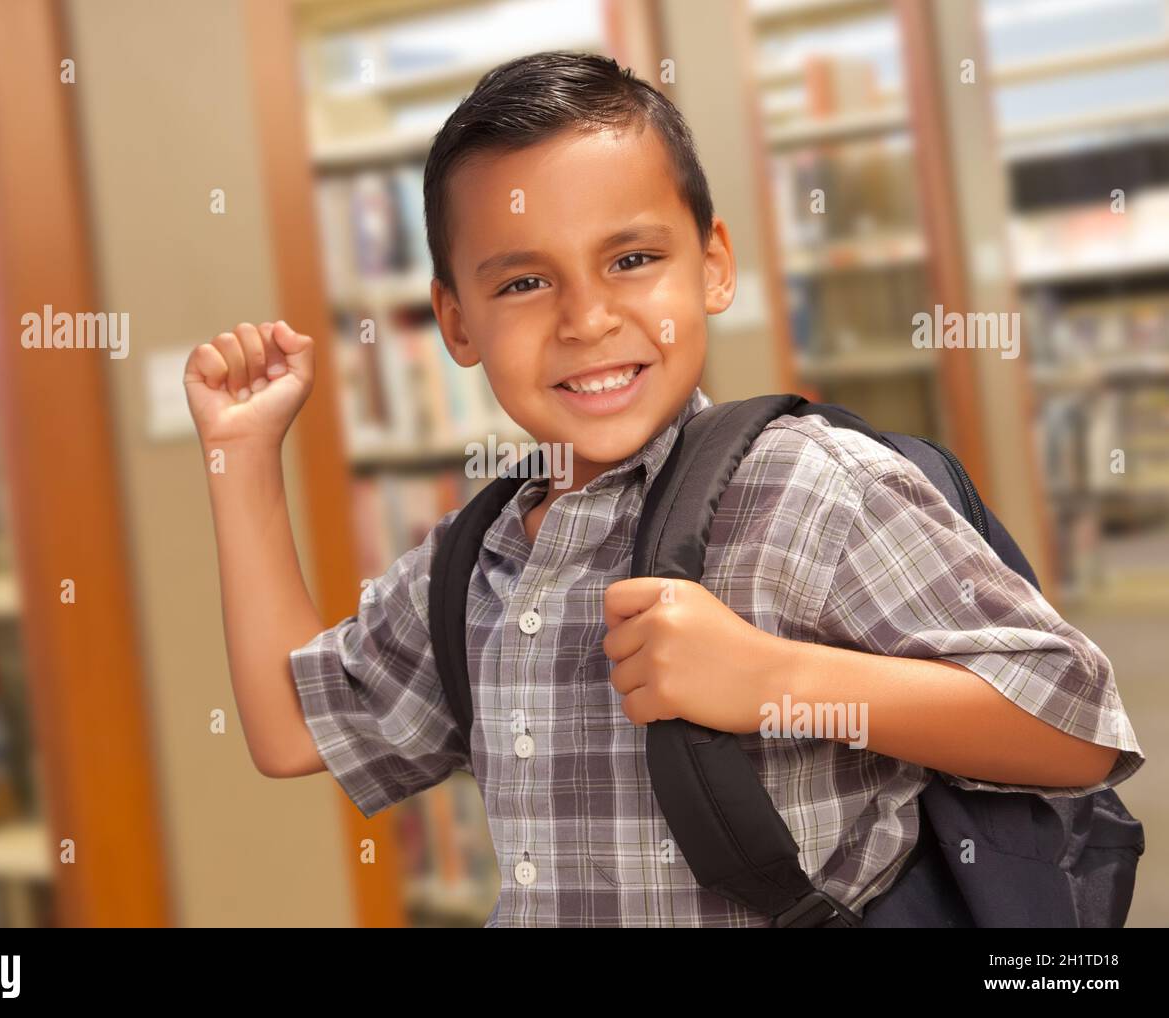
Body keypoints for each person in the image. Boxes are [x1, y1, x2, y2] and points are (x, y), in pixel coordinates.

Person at [183, 51, 1143, 927]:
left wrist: (775, 681)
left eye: (632, 260)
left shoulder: (812, 488)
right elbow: (292, 730)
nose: (589, 318)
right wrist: (241, 456)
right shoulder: (476, 559)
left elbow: (1076, 726)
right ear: (455, 321)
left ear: (712, 264)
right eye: (522, 283)